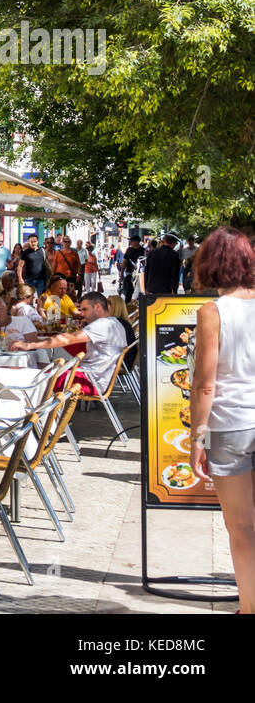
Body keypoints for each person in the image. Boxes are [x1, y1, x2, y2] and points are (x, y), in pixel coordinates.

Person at [186, 227, 255, 614]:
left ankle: (249, 607)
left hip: (230, 425)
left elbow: (204, 384)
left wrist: (198, 439)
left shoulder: (212, 312)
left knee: (242, 527)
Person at [8, 291, 126, 395]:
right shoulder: (114, 322)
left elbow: (66, 339)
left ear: (98, 307)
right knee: (39, 367)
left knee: (34, 378)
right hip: (95, 376)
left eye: (85, 309)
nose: (82, 314)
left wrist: (30, 345)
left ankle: (38, 416)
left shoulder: (102, 324)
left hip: (89, 381)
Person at [121, 236, 146, 300]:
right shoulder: (129, 250)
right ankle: (128, 305)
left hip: (140, 274)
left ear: (137, 242)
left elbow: (144, 262)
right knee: (129, 290)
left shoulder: (143, 251)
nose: (131, 243)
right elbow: (125, 261)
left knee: (138, 291)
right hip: (129, 273)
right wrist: (121, 272)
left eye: (131, 241)